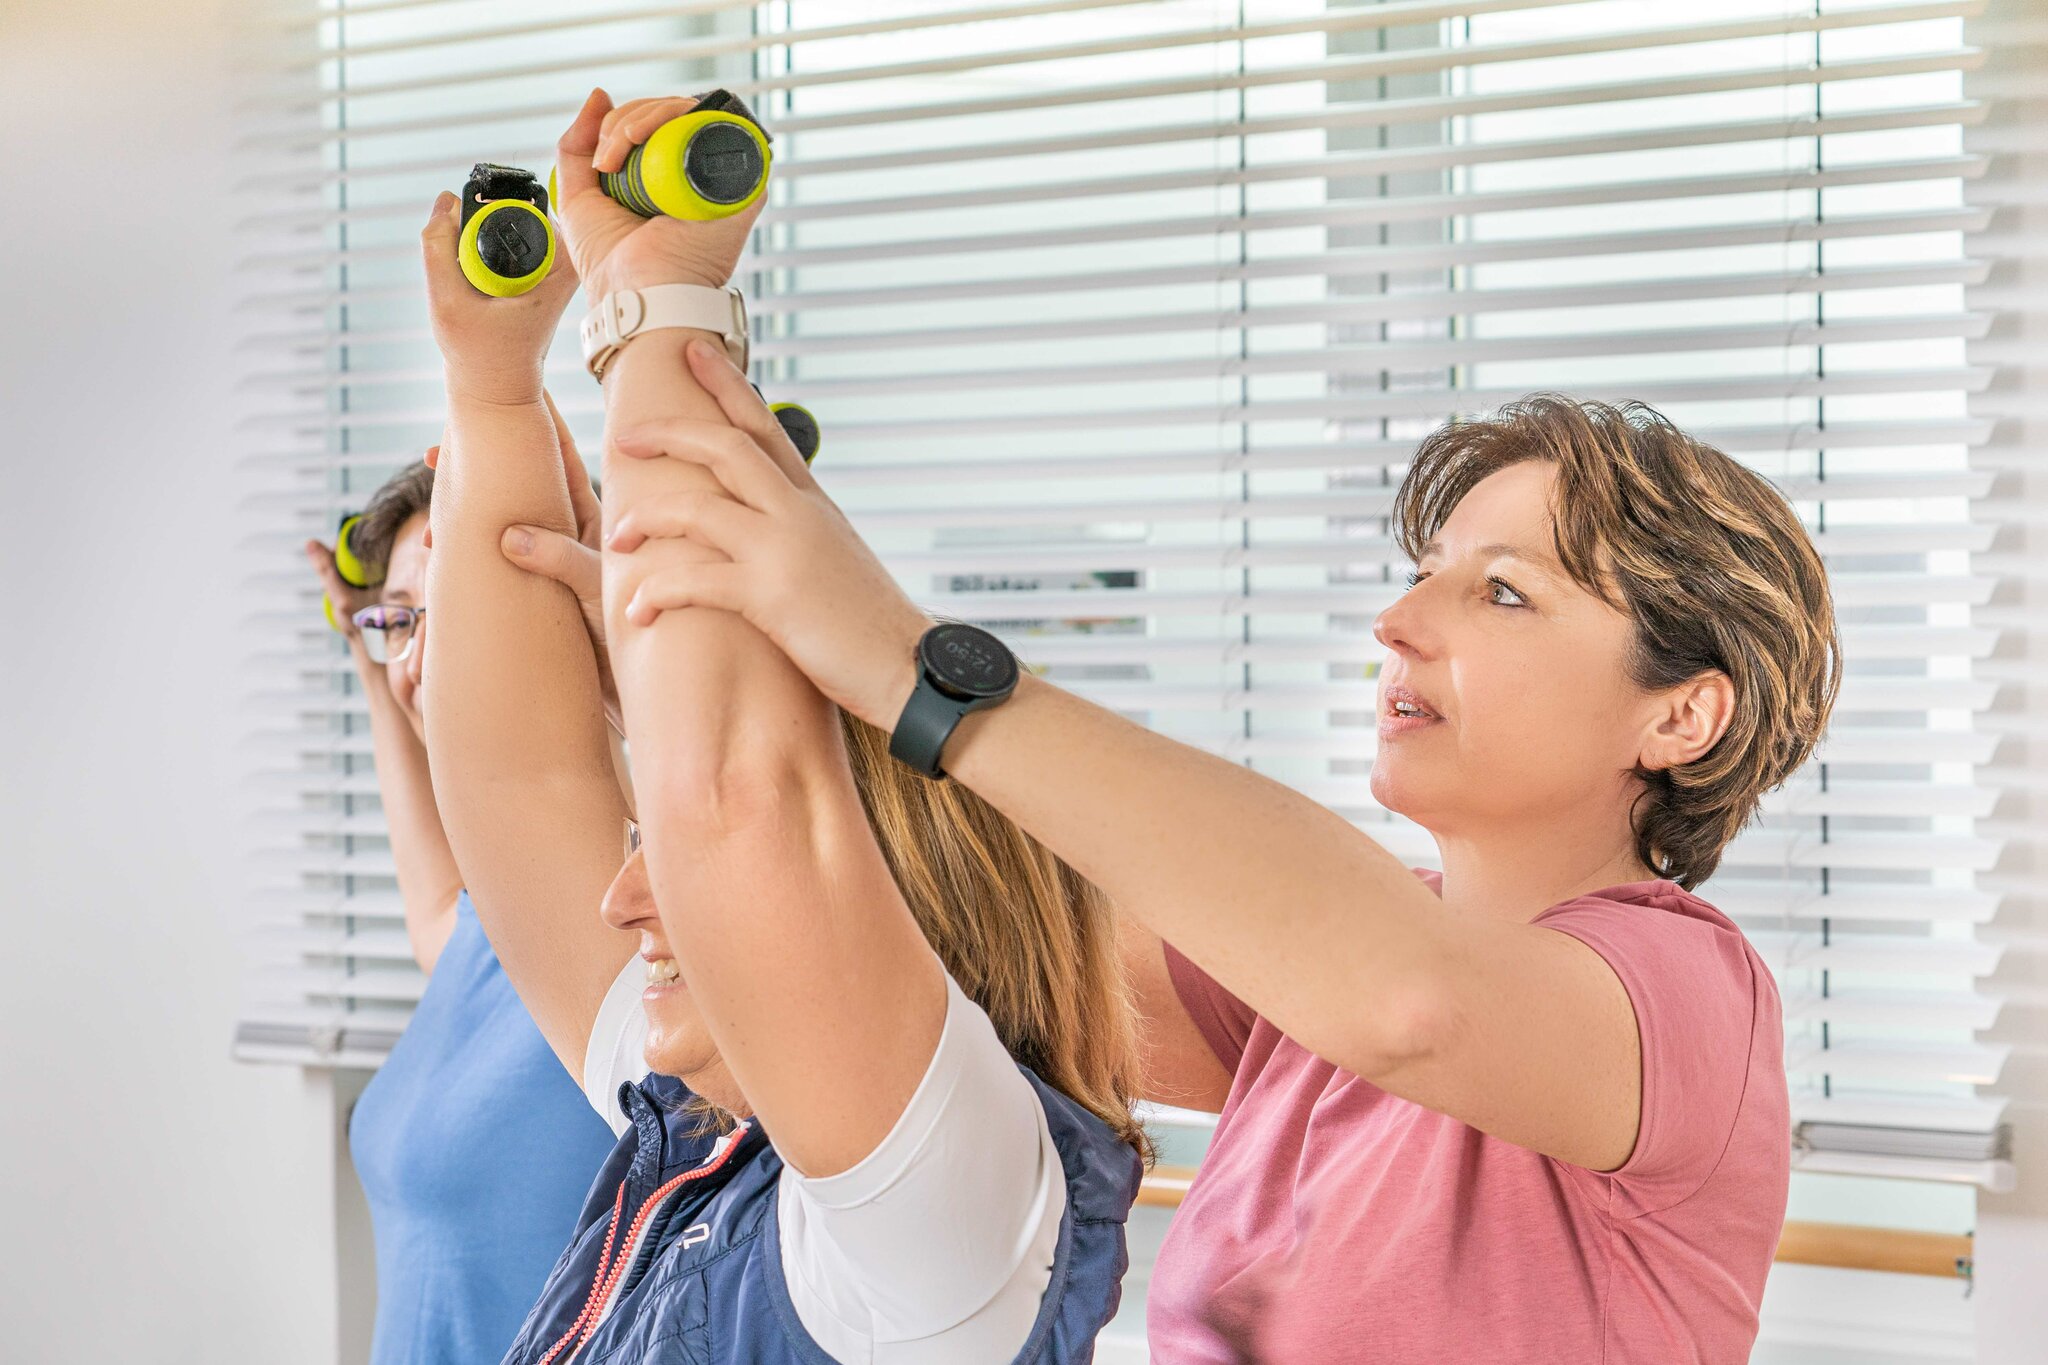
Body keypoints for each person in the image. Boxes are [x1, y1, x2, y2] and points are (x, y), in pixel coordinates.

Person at [604, 342, 1842, 1358]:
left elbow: (1408, 999)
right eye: (1421, 575)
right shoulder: (1305, 996)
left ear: (1681, 714)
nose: (1397, 623)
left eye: (1502, 592)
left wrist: (901, 662)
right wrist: (724, 607)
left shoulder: (1689, 998)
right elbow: (978, 918)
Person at [414, 88, 1147, 1365]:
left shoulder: (945, 1226)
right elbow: (516, 776)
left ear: (897, 886)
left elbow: (739, 797)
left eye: (672, 857)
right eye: (652, 851)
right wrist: (490, 390)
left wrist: (657, 305)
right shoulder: (715, 1142)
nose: (622, 897)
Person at [303, 460, 618, 1365]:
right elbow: (431, 901)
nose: (413, 654)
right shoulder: (490, 926)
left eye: (446, 609)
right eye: (399, 615)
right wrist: (371, 663)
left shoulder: (642, 915)